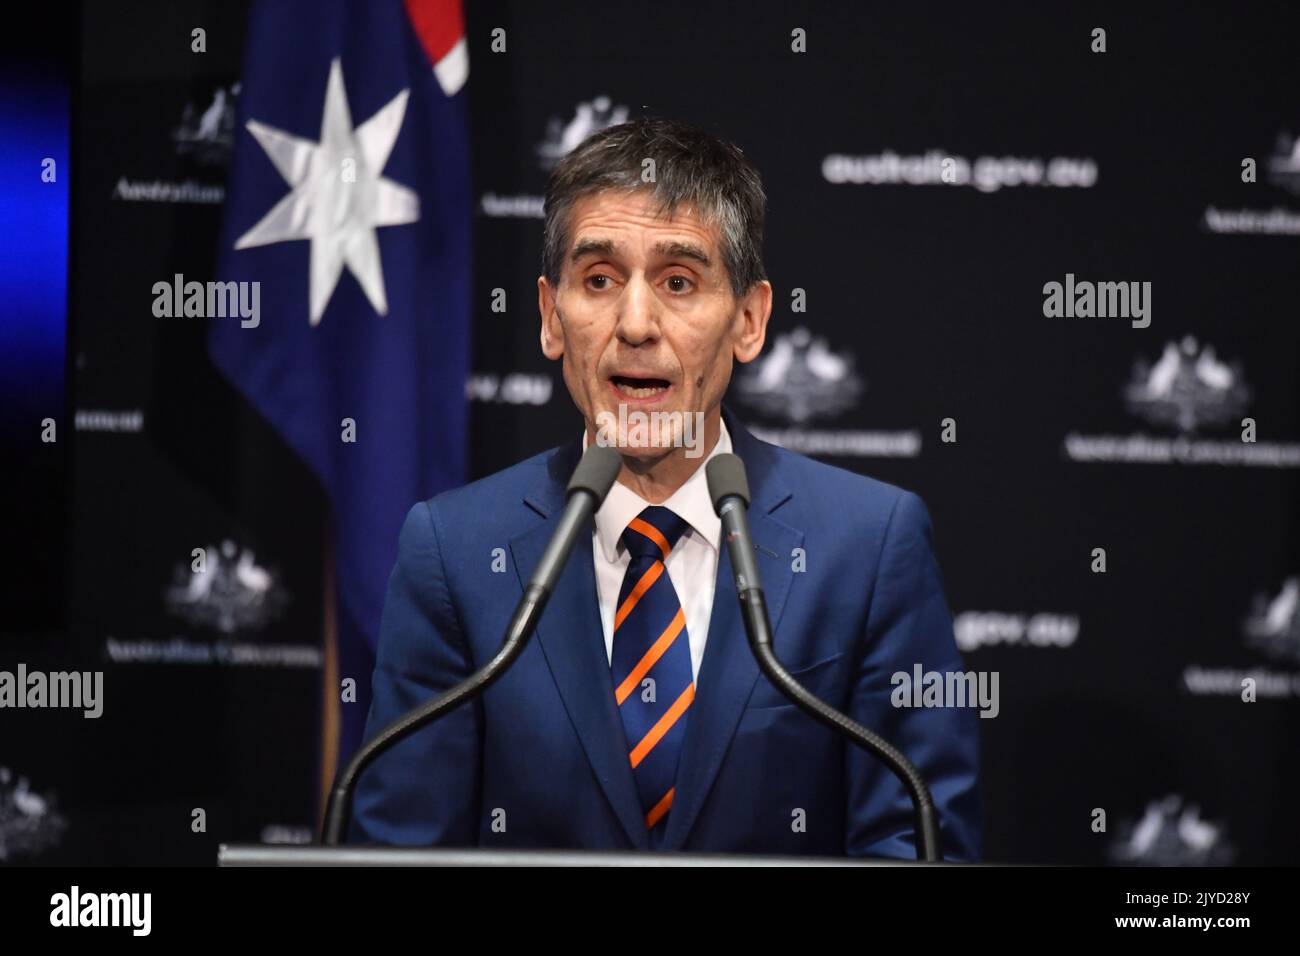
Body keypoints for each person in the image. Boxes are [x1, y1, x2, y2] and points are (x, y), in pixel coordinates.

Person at [349, 117, 981, 858]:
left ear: (749, 321)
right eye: (599, 281)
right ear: (552, 319)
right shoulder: (455, 551)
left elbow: (914, 843)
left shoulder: (869, 546)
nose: (637, 323)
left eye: (679, 282)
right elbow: (402, 852)